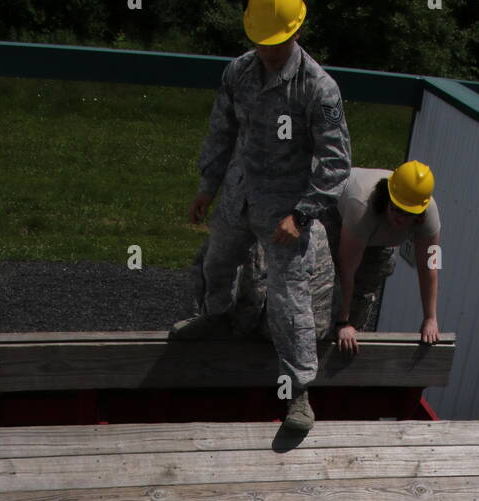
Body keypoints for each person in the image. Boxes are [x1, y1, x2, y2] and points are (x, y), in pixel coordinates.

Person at [170, 0, 351, 433]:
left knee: (291, 300)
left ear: (295, 33)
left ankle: (300, 390)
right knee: (216, 263)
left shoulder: (318, 88)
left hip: (285, 212)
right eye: (261, 43)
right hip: (239, 195)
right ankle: (217, 316)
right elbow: (222, 130)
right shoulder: (238, 72)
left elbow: (335, 163)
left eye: (277, 43)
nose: (268, 52)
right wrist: (207, 186)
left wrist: (303, 215)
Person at [325, 161, 441, 352]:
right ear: (388, 197)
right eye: (396, 209)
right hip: (338, 218)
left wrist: (430, 319)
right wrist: (342, 322)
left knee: (365, 290)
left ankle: (353, 338)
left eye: (408, 214)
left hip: (377, 237)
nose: (400, 218)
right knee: (329, 285)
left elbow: (431, 266)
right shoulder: (361, 204)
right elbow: (346, 268)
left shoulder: (431, 217)